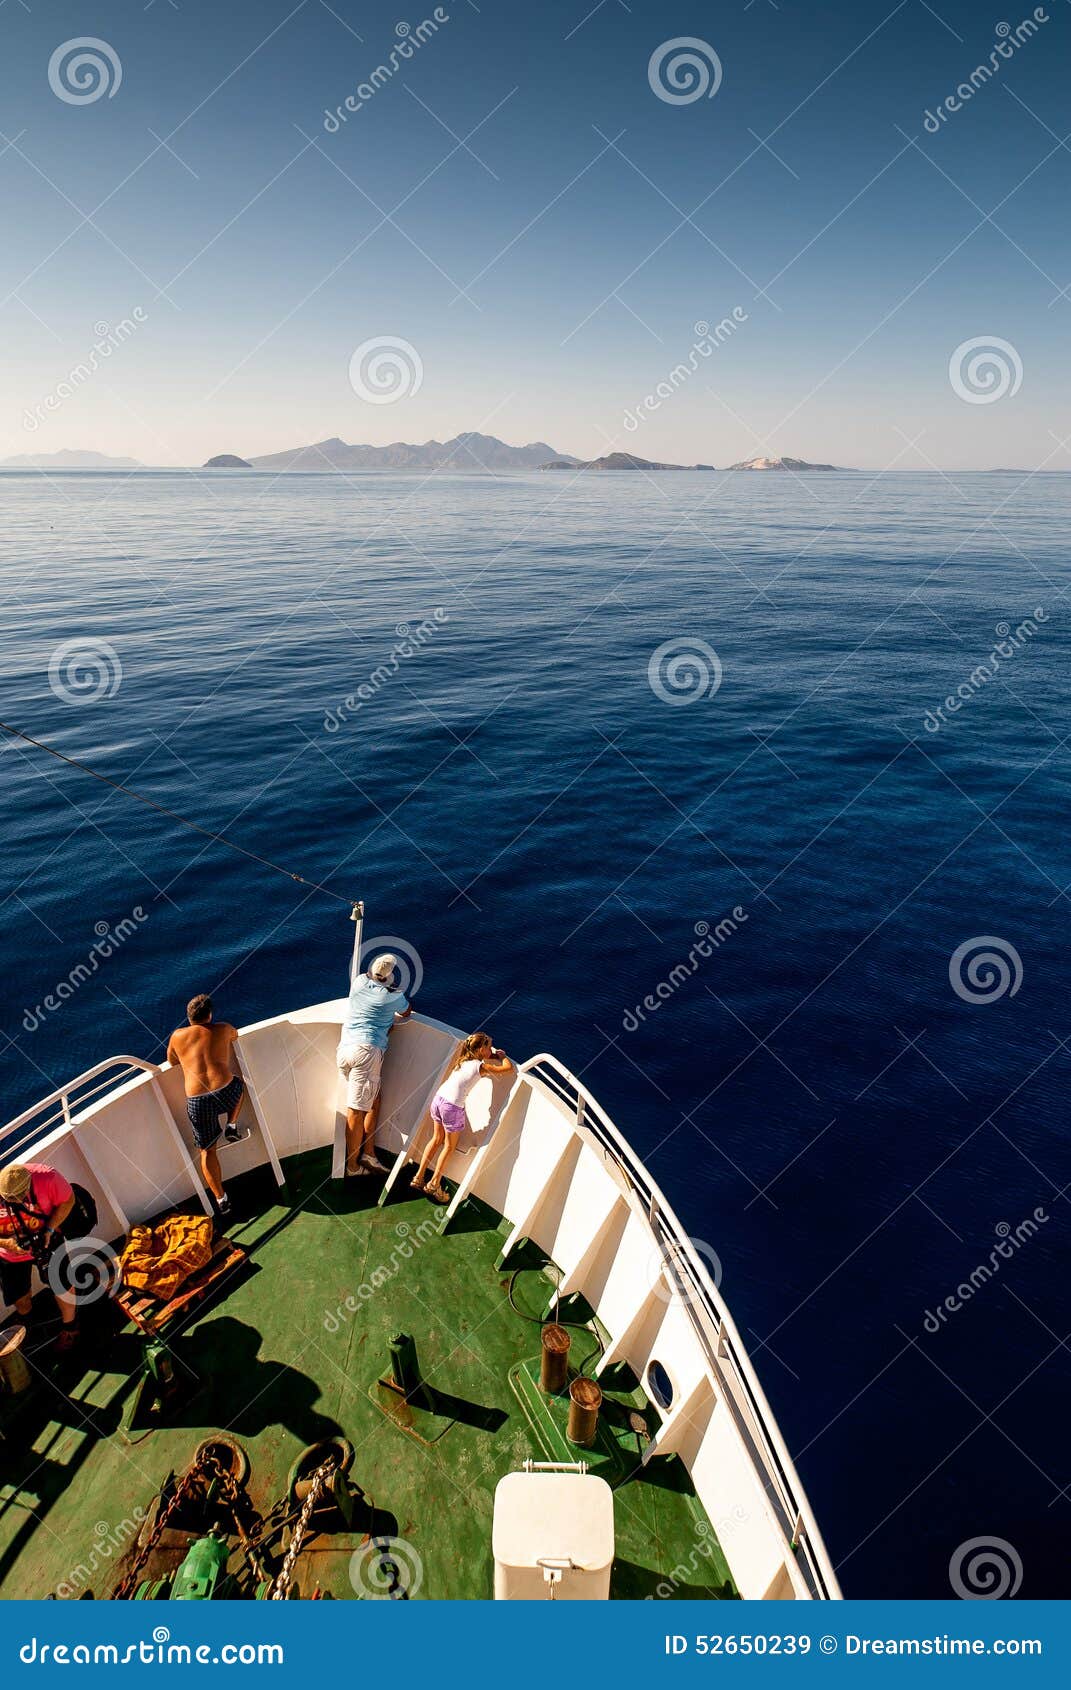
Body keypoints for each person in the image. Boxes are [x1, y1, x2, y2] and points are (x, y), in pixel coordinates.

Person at [167, 993, 245, 1217]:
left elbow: (172, 1061)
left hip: (198, 1102)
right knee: (239, 1085)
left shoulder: (177, 1036)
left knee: (207, 1151)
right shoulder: (222, 1028)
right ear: (210, 1014)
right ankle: (231, 1124)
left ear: (189, 1017)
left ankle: (221, 1198)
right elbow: (235, 1036)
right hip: (226, 1093)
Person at [412, 1032, 513, 1205]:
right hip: (452, 1107)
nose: (491, 1049)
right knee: (449, 1147)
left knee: (436, 1139)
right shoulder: (481, 1067)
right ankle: (434, 1183)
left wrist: (491, 1055)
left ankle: (419, 1177)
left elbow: (481, 1058)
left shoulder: (464, 1060)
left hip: (439, 1100)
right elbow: (507, 1069)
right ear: (481, 1049)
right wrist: (502, 1056)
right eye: (489, 1047)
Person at [337, 953, 412, 1176]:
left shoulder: (359, 982)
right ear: (390, 975)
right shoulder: (392, 996)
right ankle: (352, 1167)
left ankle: (369, 1154)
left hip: (345, 1050)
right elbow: (406, 1011)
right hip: (366, 1053)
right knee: (356, 1111)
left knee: (375, 1099)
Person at [0, 1162, 79, 1349]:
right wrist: (8, 1244)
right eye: (11, 1198)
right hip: (9, 1254)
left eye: (21, 1195)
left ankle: (71, 1327)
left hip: (48, 1240)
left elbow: (69, 1200)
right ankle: (29, 1327)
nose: (18, 1201)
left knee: (63, 1286)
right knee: (19, 1297)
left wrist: (49, 1229)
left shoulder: (48, 1177)